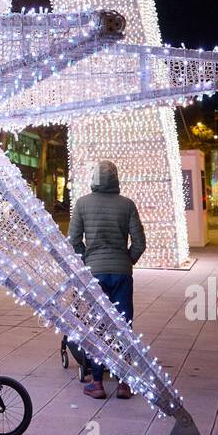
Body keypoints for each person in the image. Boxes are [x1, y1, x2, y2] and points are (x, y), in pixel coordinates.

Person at [68, 160, 145, 400]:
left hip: (95, 274)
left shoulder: (82, 204)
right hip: (122, 274)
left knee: (98, 327)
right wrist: (126, 260)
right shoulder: (127, 205)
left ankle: (98, 383)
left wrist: (86, 261)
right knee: (123, 326)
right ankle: (124, 383)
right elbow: (140, 243)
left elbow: (73, 241)